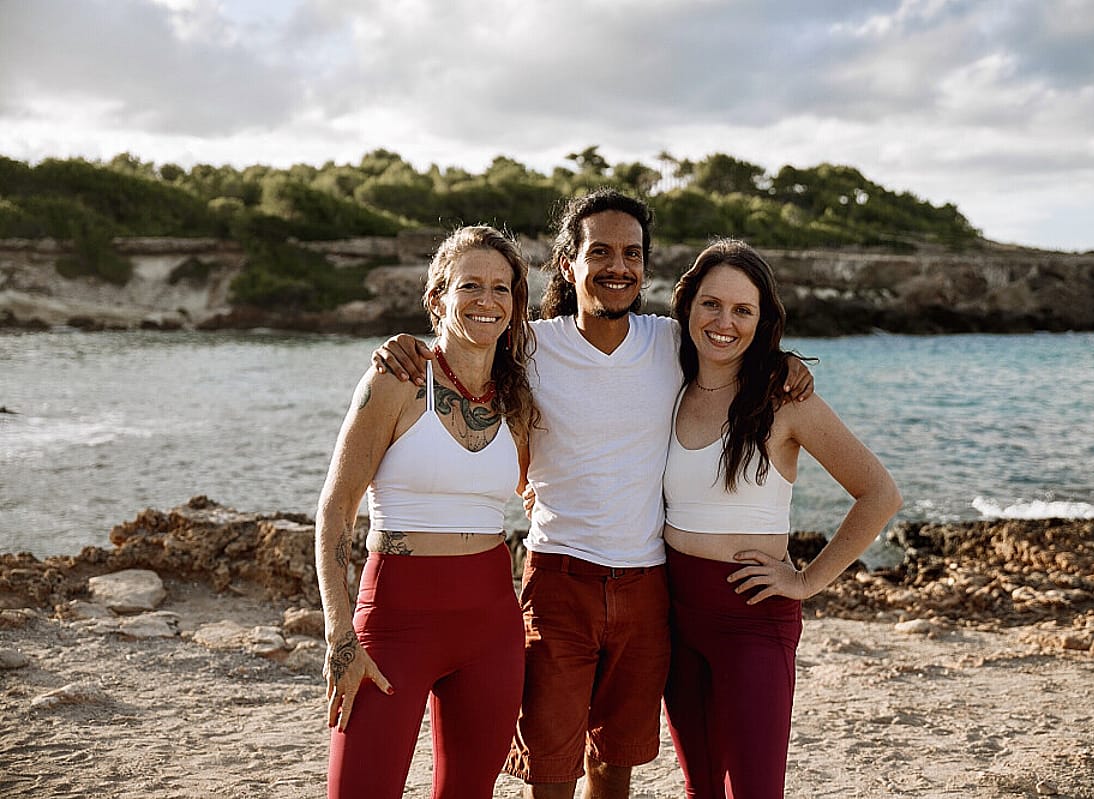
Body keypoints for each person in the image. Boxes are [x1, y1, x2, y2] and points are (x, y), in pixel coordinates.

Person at [372, 190, 814, 799]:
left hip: (648, 586)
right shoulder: (528, 345)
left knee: (614, 765)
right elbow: (460, 347)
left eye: (632, 253)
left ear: (645, 266)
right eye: (600, 250)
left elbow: (730, 344)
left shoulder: (670, 343)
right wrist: (406, 345)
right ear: (568, 263)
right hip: (558, 582)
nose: (618, 265)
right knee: (552, 768)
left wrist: (784, 362)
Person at [662, 239, 903, 798]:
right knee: (701, 786)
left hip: (753, 619)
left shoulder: (782, 398)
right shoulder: (666, 383)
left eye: (743, 310)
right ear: (687, 307)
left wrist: (805, 581)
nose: (725, 322)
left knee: (755, 788)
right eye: (711, 305)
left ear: (762, 319)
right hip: (675, 613)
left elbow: (879, 494)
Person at [314, 225, 537, 798]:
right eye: (470, 286)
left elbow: (539, 488)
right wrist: (340, 634)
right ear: (436, 298)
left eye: (501, 289)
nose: (487, 301)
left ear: (515, 305)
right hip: (394, 620)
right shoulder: (396, 381)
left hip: (492, 627)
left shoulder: (519, 400)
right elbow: (336, 511)